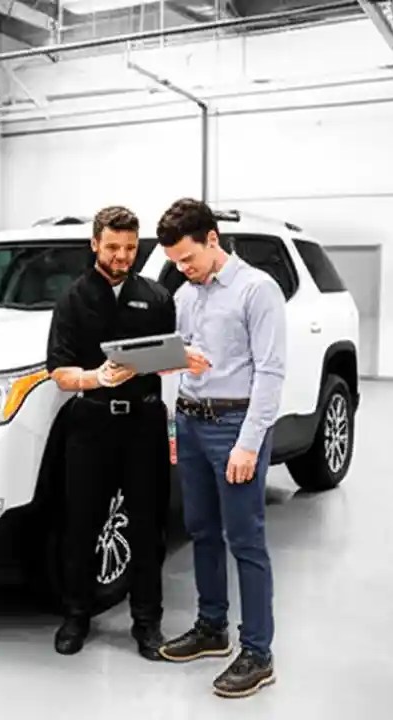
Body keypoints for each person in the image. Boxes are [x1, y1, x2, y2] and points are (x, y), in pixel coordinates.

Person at [44, 205, 208, 658]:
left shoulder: (156, 297)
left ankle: (147, 624)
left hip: (144, 424)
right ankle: (76, 617)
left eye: (131, 248)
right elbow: (59, 371)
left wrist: (184, 357)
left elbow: (171, 356)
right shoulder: (72, 299)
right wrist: (95, 378)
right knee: (81, 525)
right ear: (95, 243)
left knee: (148, 527)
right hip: (91, 423)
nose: (122, 256)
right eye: (113, 247)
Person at [152, 198, 286, 698]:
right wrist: (172, 416)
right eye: (175, 263)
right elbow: (181, 358)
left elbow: (271, 373)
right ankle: (212, 629)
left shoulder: (257, 290)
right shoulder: (188, 294)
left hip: (234, 426)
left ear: (213, 240)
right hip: (189, 423)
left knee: (245, 540)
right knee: (201, 530)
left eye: (187, 258)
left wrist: (248, 444)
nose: (182, 270)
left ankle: (258, 652)